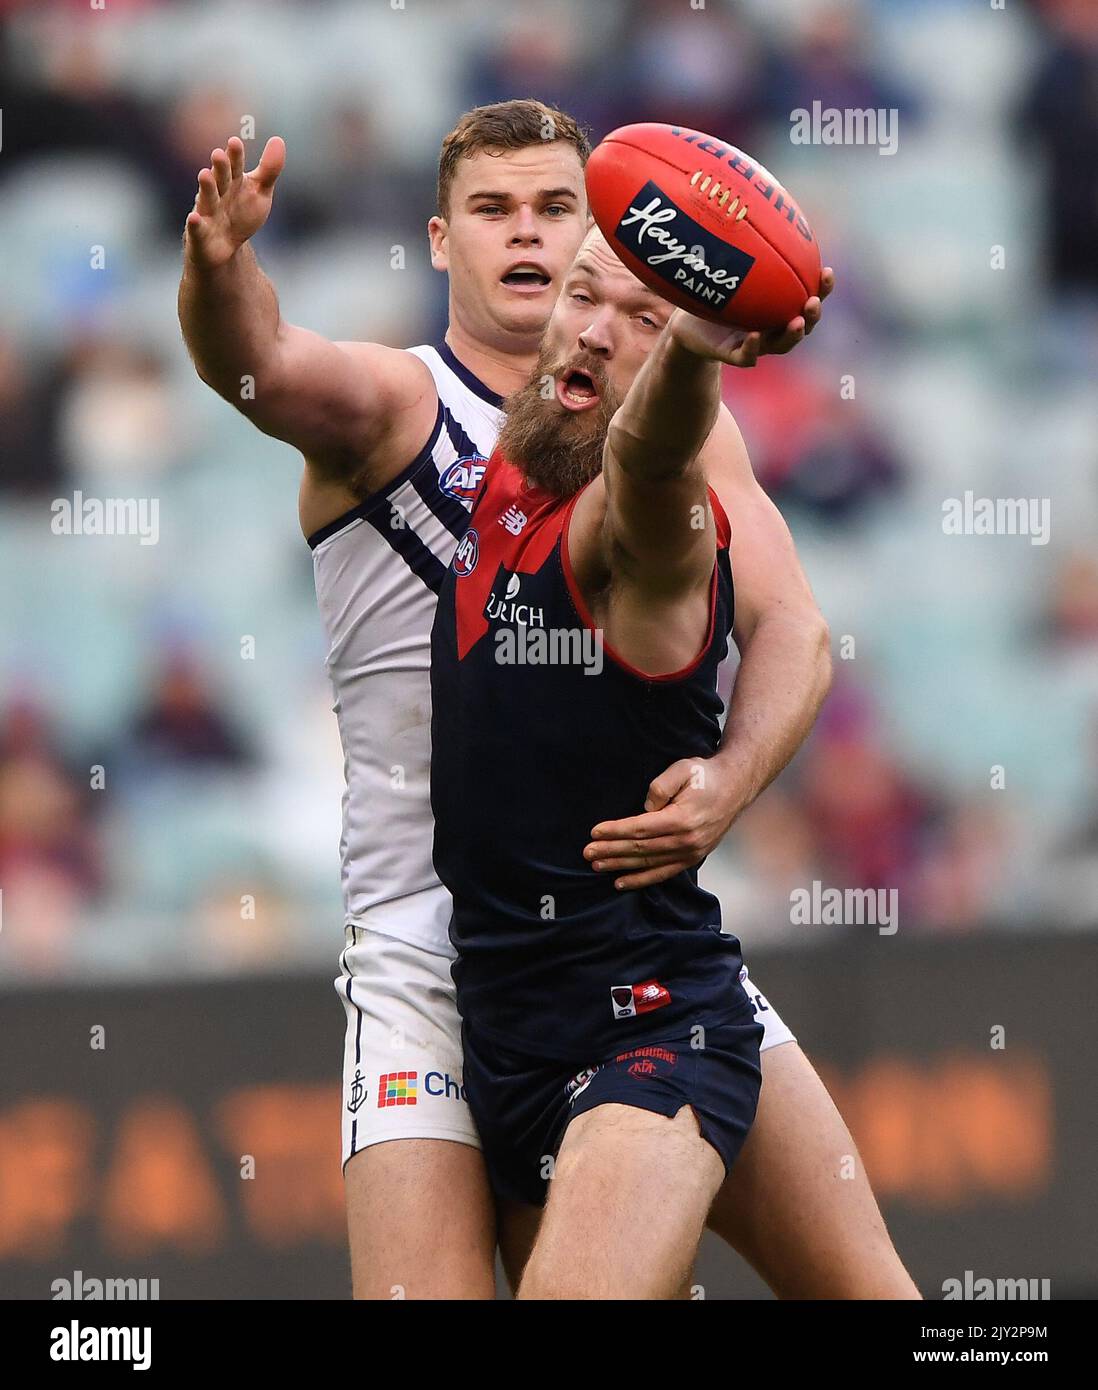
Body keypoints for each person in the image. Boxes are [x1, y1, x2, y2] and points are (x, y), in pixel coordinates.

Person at [178, 98, 917, 1299]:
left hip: (627, 930)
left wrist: (730, 779)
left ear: (610, 231)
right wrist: (215, 271)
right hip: (429, 955)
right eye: (491, 209)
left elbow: (796, 628)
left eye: (554, 207)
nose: (524, 233)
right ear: (438, 239)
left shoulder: (666, 429)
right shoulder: (392, 407)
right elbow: (252, 359)